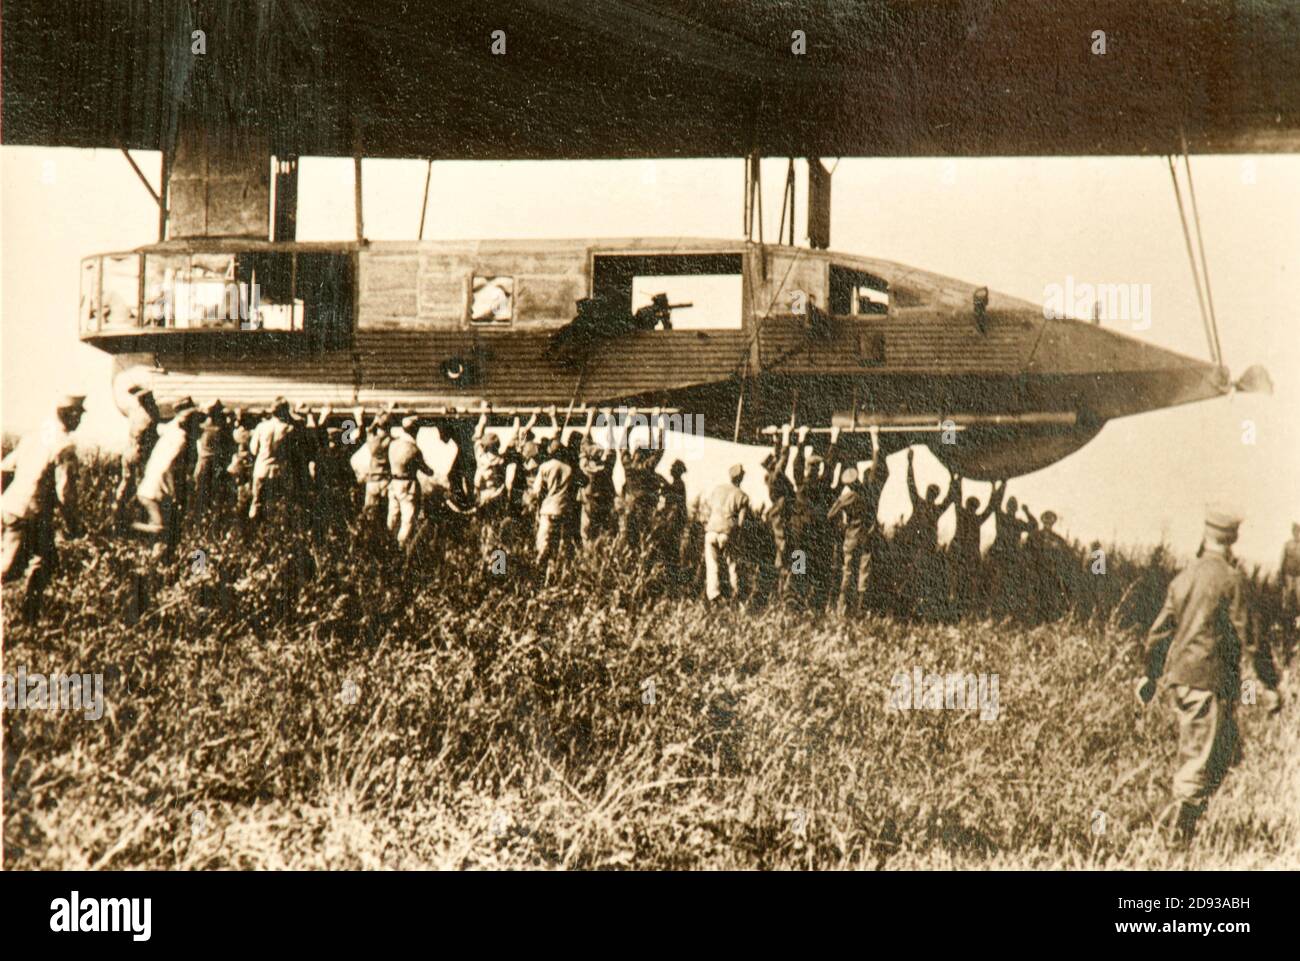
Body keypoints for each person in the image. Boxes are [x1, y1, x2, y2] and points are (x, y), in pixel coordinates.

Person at [1138, 508, 1282, 847]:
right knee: (1200, 760)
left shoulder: (1183, 578)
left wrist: (1149, 676)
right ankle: (1174, 841)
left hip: (1184, 681)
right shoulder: (1232, 580)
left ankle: (1176, 820)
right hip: (1209, 683)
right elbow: (1253, 637)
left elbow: (1159, 634)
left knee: (1224, 752)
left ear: (1205, 535)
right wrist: (1269, 683)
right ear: (1232, 539)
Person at [1, 395, 86, 621]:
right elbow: (65, 492)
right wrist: (74, 525)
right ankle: (28, 617)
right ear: (69, 414)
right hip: (30, 513)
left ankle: (30, 616)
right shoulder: (64, 445)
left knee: (45, 561)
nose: (81, 419)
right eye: (79, 414)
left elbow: (5, 468)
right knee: (9, 568)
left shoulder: (35, 436)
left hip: (13, 506)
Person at [827, 431, 888, 616]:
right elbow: (877, 467)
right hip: (868, 537)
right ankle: (862, 609)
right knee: (864, 574)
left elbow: (830, 515)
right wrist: (875, 441)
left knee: (847, 573)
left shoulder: (849, 497)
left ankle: (842, 608)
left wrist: (843, 523)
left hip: (851, 539)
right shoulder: (870, 491)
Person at [135, 407, 203, 554]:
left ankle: (155, 558)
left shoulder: (171, 433)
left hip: (150, 486)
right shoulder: (181, 441)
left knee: (162, 527)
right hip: (156, 489)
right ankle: (137, 533)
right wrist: (174, 492)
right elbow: (167, 467)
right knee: (162, 529)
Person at [902, 449, 957, 615]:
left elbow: (910, 483)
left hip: (918, 547)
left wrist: (910, 463)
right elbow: (950, 497)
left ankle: (912, 605)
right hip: (924, 547)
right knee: (921, 576)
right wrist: (954, 477)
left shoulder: (921, 504)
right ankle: (917, 605)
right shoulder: (934, 509)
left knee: (915, 575)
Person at [112, 385, 160, 528]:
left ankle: (117, 511)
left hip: (129, 452)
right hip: (140, 455)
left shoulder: (134, 411)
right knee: (141, 486)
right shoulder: (150, 416)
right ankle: (141, 519)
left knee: (126, 482)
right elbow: (151, 438)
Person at [618, 408, 665, 550]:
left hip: (630, 506)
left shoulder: (629, 466)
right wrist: (660, 426)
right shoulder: (647, 466)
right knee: (643, 537)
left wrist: (629, 423)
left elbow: (622, 446)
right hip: (644, 507)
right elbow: (659, 450)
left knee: (627, 538)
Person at [948, 476, 995, 614]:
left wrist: (957, 480)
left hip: (963, 553)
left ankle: (958, 606)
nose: (971, 508)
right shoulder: (975, 518)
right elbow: (991, 507)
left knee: (959, 580)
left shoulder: (963, 514)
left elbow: (957, 499)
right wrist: (995, 488)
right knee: (964, 580)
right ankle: (962, 607)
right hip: (967, 554)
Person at [703, 463, 750, 602]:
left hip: (711, 531)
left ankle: (714, 596)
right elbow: (741, 523)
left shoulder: (717, 489)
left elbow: (708, 510)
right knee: (733, 566)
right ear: (741, 478)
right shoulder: (742, 496)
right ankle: (737, 597)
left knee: (712, 566)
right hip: (727, 533)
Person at [386, 415, 434, 549]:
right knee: (407, 517)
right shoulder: (413, 449)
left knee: (393, 512)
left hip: (394, 482)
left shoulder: (393, 444)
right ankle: (401, 545)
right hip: (406, 485)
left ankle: (388, 540)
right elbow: (426, 470)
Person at [763, 424, 798, 597]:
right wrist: (785, 437)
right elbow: (783, 458)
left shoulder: (772, 476)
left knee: (786, 559)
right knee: (793, 557)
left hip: (782, 519)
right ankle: (789, 593)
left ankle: (784, 593)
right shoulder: (776, 475)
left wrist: (776, 438)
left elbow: (778, 458)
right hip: (785, 523)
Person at [248, 398, 296, 522]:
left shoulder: (261, 427)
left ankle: (256, 528)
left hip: (261, 469)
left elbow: (253, 450)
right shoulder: (288, 428)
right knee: (281, 504)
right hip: (279, 470)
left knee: (257, 502)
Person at [532, 439, 574, 572]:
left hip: (548, 508)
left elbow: (536, 490)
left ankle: (539, 568)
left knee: (543, 541)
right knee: (559, 542)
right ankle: (556, 570)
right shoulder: (568, 468)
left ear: (550, 450)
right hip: (563, 508)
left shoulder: (544, 467)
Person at [578, 408, 617, 544]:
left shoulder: (585, 467)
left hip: (588, 505)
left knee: (587, 535)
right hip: (603, 504)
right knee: (604, 535)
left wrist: (590, 416)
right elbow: (611, 445)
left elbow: (584, 442)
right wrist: (609, 418)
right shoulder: (606, 468)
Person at [191, 400, 230, 517]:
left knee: (202, 491)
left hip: (203, 462)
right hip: (216, 463)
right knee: (216, 491)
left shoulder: (202, 428)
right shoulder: (220, 429)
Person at [1280, 523, 1300, 661]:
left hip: (1298, 576)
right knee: (1286, 599)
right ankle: (1286, 612)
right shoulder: (1287, 545)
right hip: (1288, 575)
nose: (1297, 534)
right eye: (1296, 532)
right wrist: (1280, 575)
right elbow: (1282, 560)